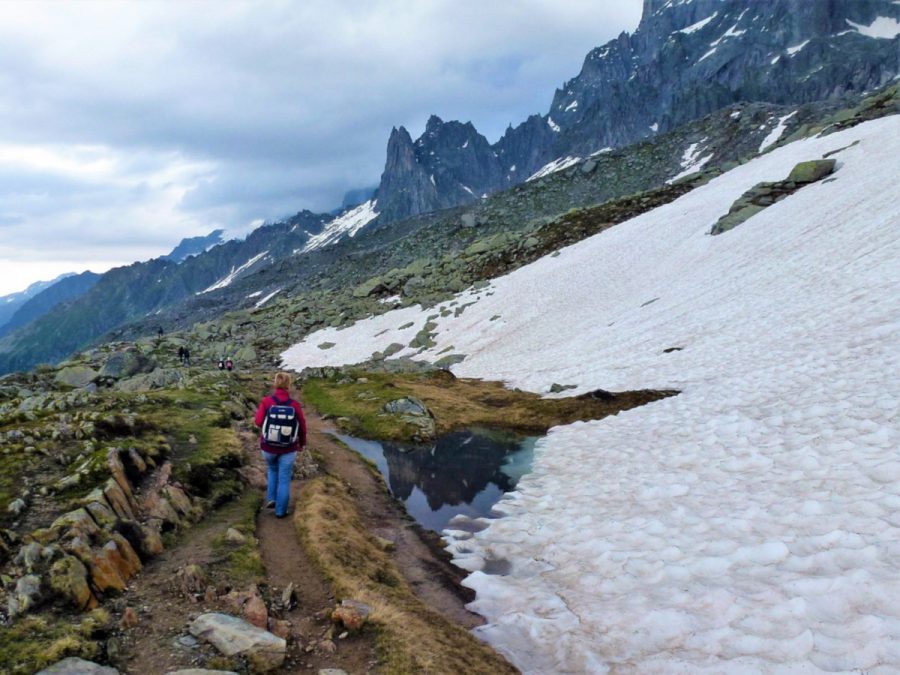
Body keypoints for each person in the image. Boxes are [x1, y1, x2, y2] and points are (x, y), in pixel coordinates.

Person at [254, 372, 307, 517]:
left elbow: (258, 422)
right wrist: (301, 444)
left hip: (269, 447)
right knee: (284, 479)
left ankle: (271, 499)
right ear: (288, 385)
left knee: (272, 470)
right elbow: (302, 427)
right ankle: (280, 511)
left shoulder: (266, 402)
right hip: (289, 448)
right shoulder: (294, 405)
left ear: (275, 383)